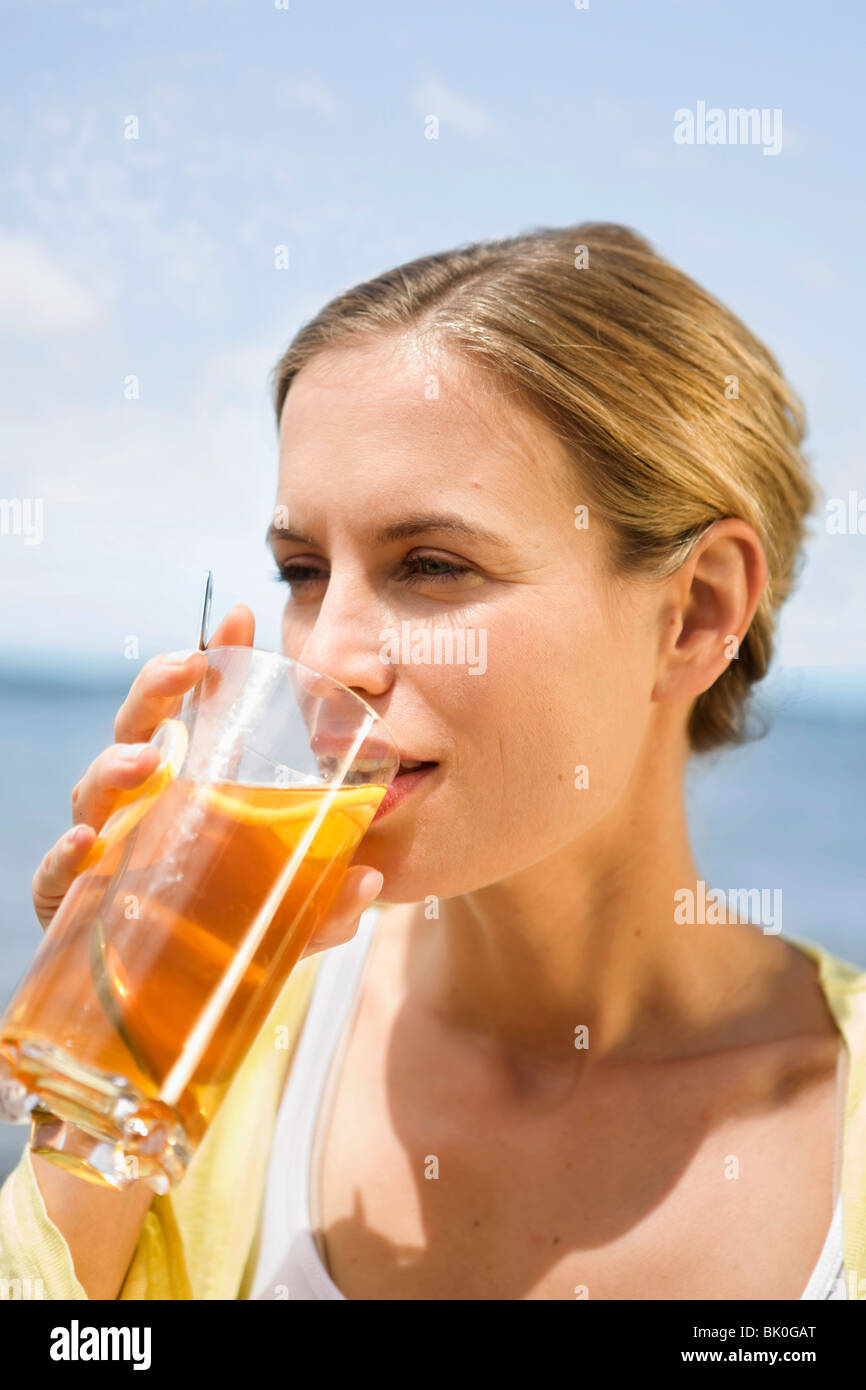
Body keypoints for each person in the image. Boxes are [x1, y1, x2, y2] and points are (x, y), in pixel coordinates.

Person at [3, 222, 865, 1301]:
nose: (324, 655)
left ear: (693, 615)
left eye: (432, 566)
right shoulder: (220, 1040)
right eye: (304, 570)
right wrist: (112, 1062)